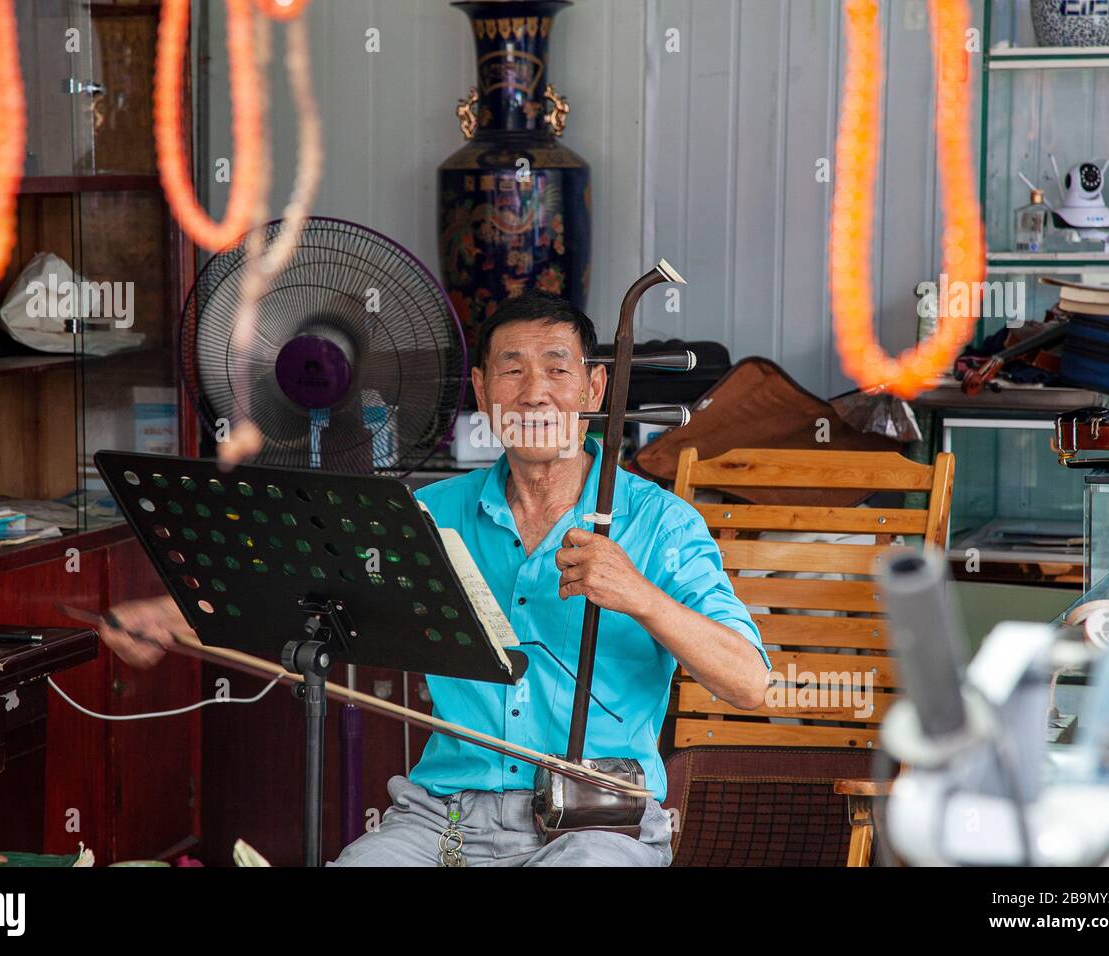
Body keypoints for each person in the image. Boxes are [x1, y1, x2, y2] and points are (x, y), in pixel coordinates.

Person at [99, 289, 770, 866]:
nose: (533, 391)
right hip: (443, 818)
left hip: (594, 821)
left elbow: (751, 683)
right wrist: (168, 613)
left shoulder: (661, 524)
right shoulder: (428, 514)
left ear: (594, 389)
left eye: (557, 370)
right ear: (482, 391)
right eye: (510, 371)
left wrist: (641, 596)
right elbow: (298, 593)